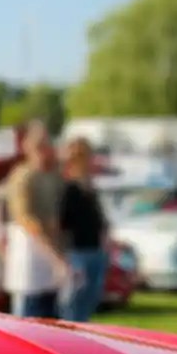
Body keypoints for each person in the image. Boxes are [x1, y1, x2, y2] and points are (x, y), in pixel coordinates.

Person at [2, 125, 68, 319]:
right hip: (29, 249)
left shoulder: (53, 176)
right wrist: (53, 253)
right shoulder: (22, 176)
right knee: (27, 311)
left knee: (51, 312)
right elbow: (24, 217)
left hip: (51, 245)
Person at [59, 137, 108, 322]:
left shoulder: (90, 187)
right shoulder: (68, 187)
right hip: (76, 250)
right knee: (74, 300)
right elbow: (63, 222)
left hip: (94, 248)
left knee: (90, 297)